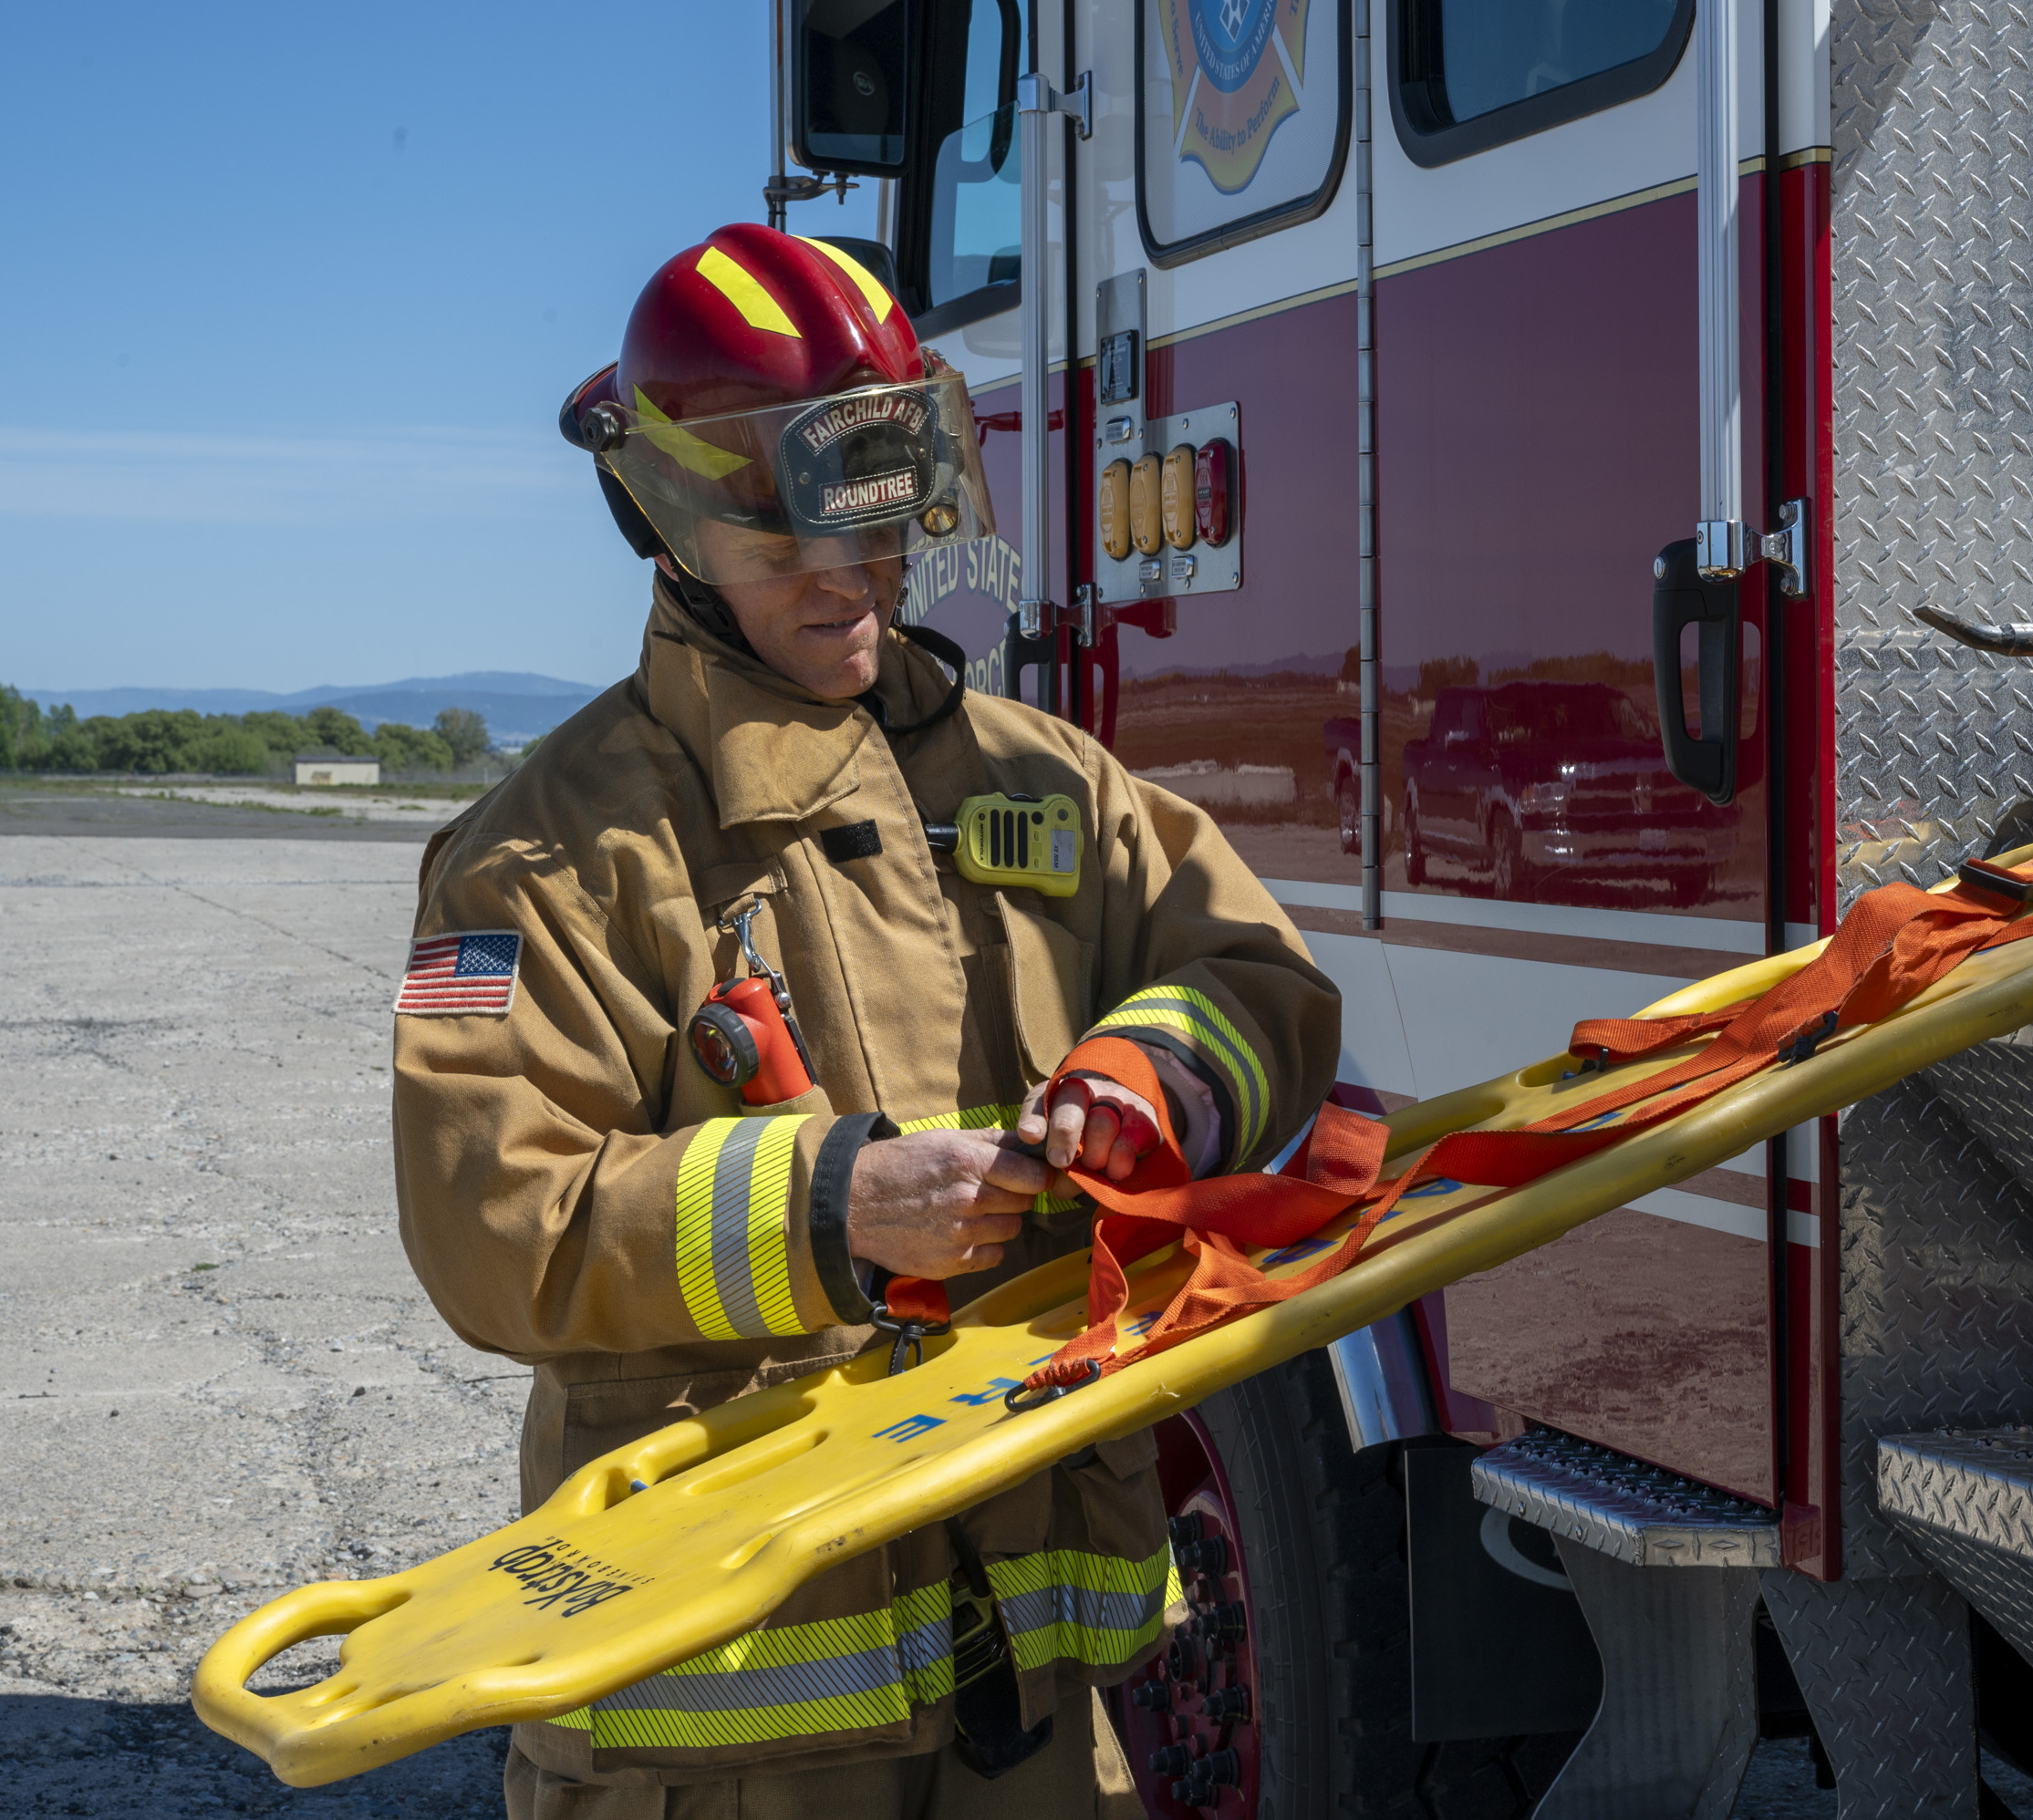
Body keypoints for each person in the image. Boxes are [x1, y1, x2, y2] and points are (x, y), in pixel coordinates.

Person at [389, 222, 1340, 1819]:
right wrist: (834, 1205)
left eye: (882, 523)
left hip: (1034, 1733)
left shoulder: (1049, 783)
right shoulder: (541, 856)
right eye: (790, 539)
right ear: (674, 522)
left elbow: (1263, 986)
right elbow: (490, 1221)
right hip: (732, 1746)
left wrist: (1148, 1072)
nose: (854, 576)